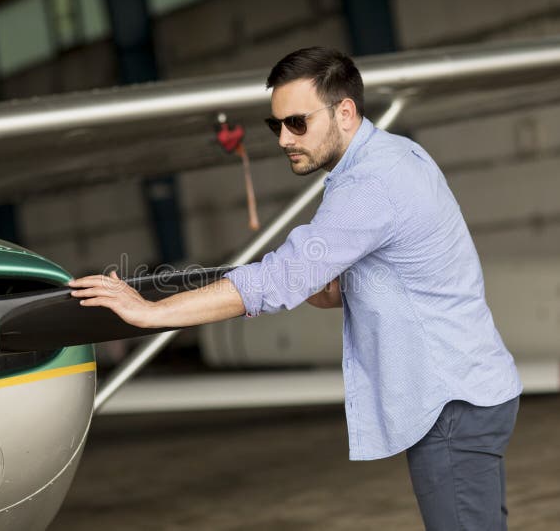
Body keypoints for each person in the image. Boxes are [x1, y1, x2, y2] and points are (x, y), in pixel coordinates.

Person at [70, 47, 523, 530]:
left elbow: (279, 280)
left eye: (297, 123)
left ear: (344, 112)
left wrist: (151, 313)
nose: (284, 138)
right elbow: (348, 284)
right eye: (276, 126)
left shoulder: (371, 184)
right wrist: (313, 275)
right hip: (465, 391)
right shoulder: (395, 156)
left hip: (450, 404)